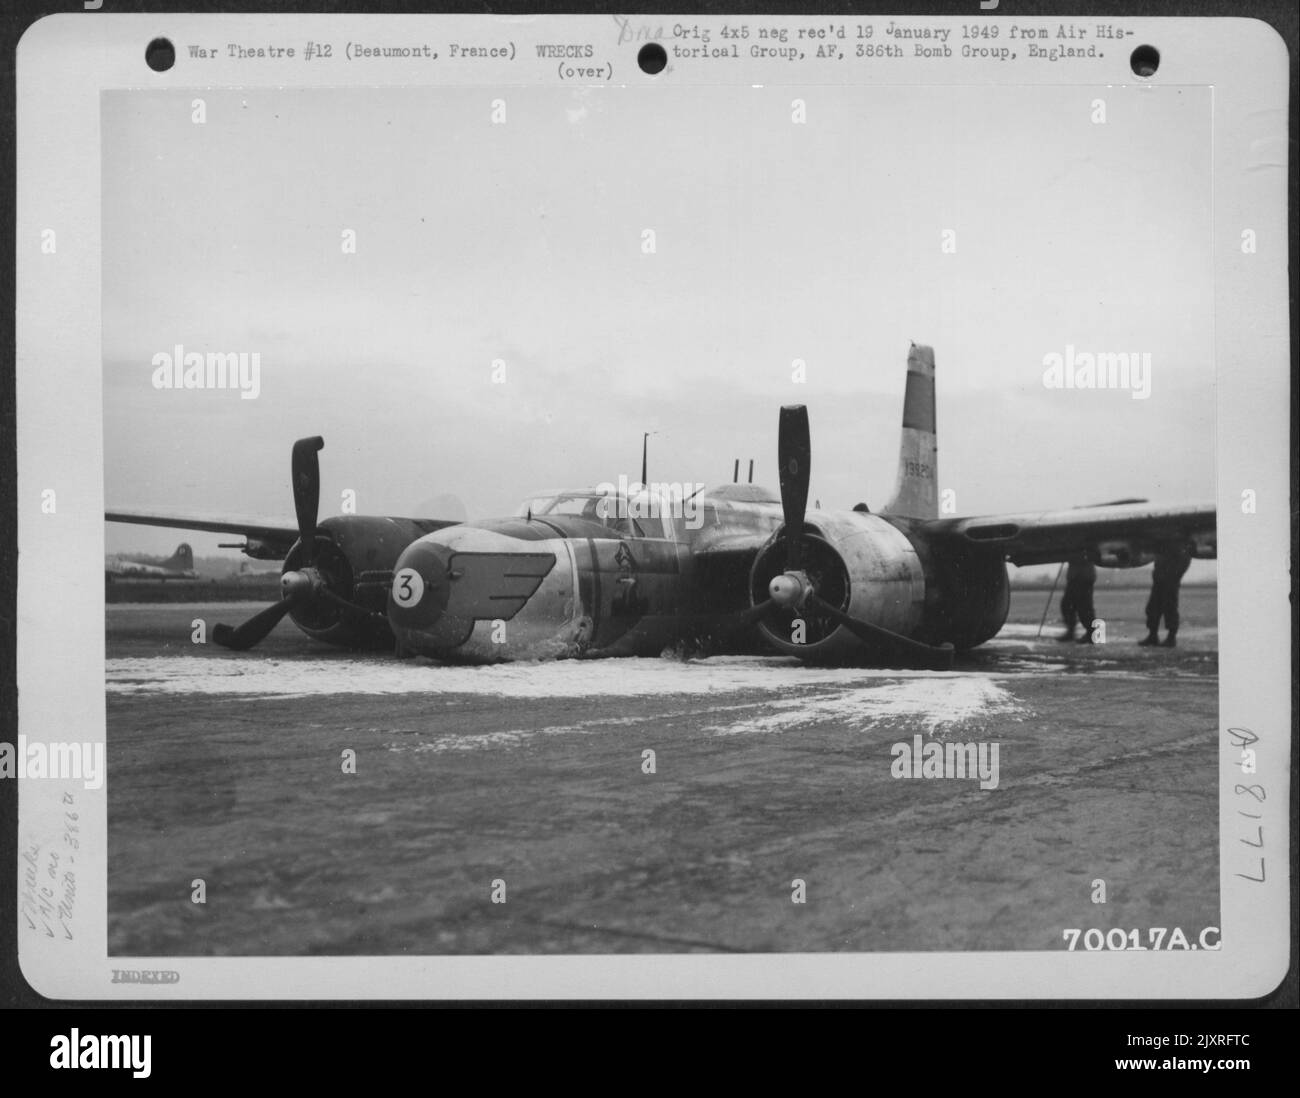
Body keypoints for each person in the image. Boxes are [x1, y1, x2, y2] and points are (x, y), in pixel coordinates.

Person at [1139, 542, 1193, 647]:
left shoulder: (1181, 542)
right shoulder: (1165, 540)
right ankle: (1153, 635)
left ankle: (1171, 637)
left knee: (1169, 605)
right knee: (1153, 605)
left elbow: (1184, 559)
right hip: (1160, 574)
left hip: (1170, 575)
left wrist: (1174, 574)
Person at [1059, 552, 1098, 643]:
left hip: (1083, 577)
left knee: (1084, 607)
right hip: (1075, 576)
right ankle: (1072, 631)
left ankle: (1091, 633)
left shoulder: (1083, 543)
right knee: (1067, 605)